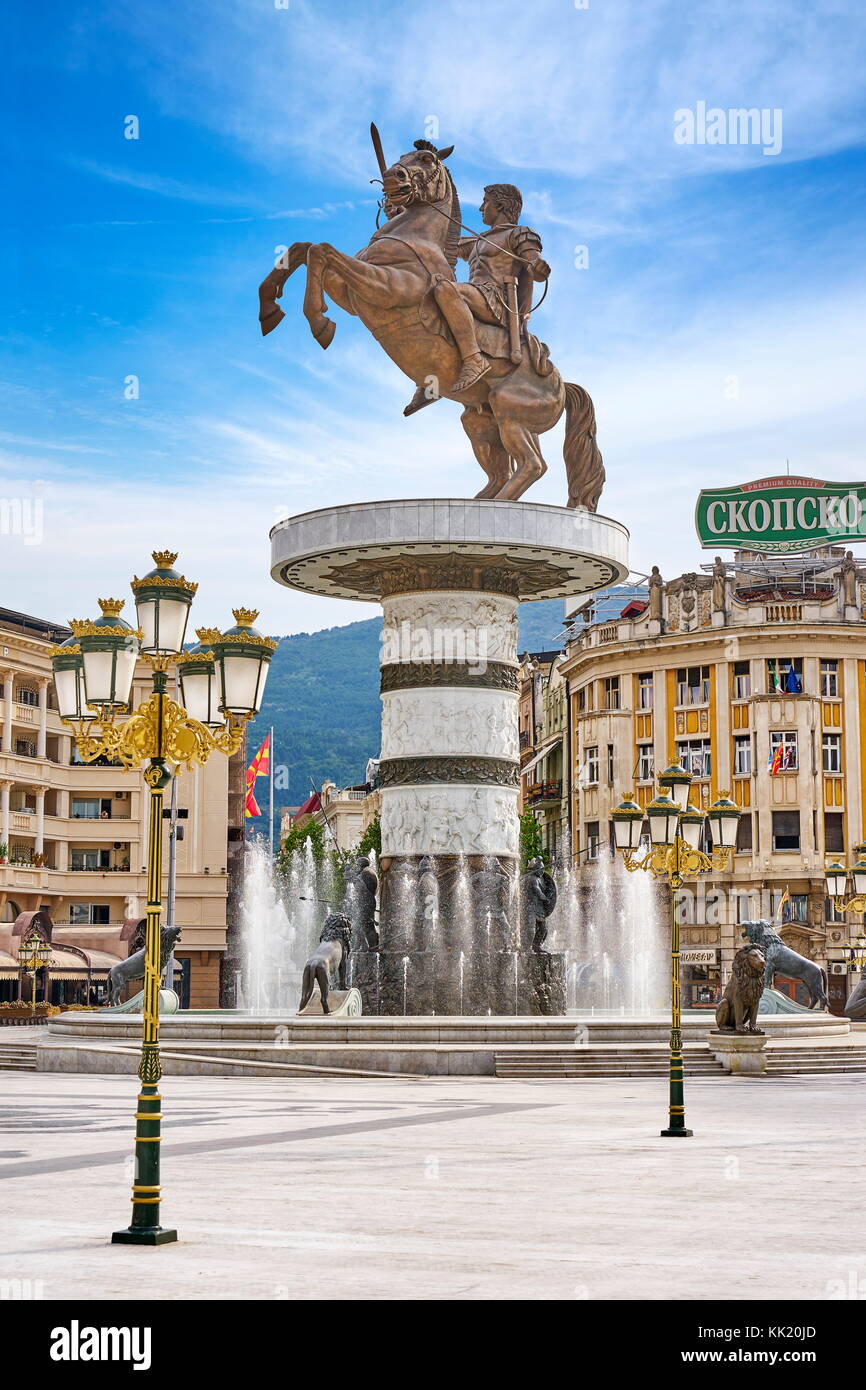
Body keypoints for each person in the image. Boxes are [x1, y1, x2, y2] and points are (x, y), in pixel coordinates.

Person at [404, 182, 550, 410]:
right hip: (475, 297)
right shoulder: (479, 240)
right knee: (427, 292)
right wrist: (406, 213)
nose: (481, 208)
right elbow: (437, 243)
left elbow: (533, 261)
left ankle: (473, 359)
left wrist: (538, 266)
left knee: (445, 289)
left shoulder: (519, 233)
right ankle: (430, 376)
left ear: (500, 205)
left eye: (486, 202)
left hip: (498, 302)